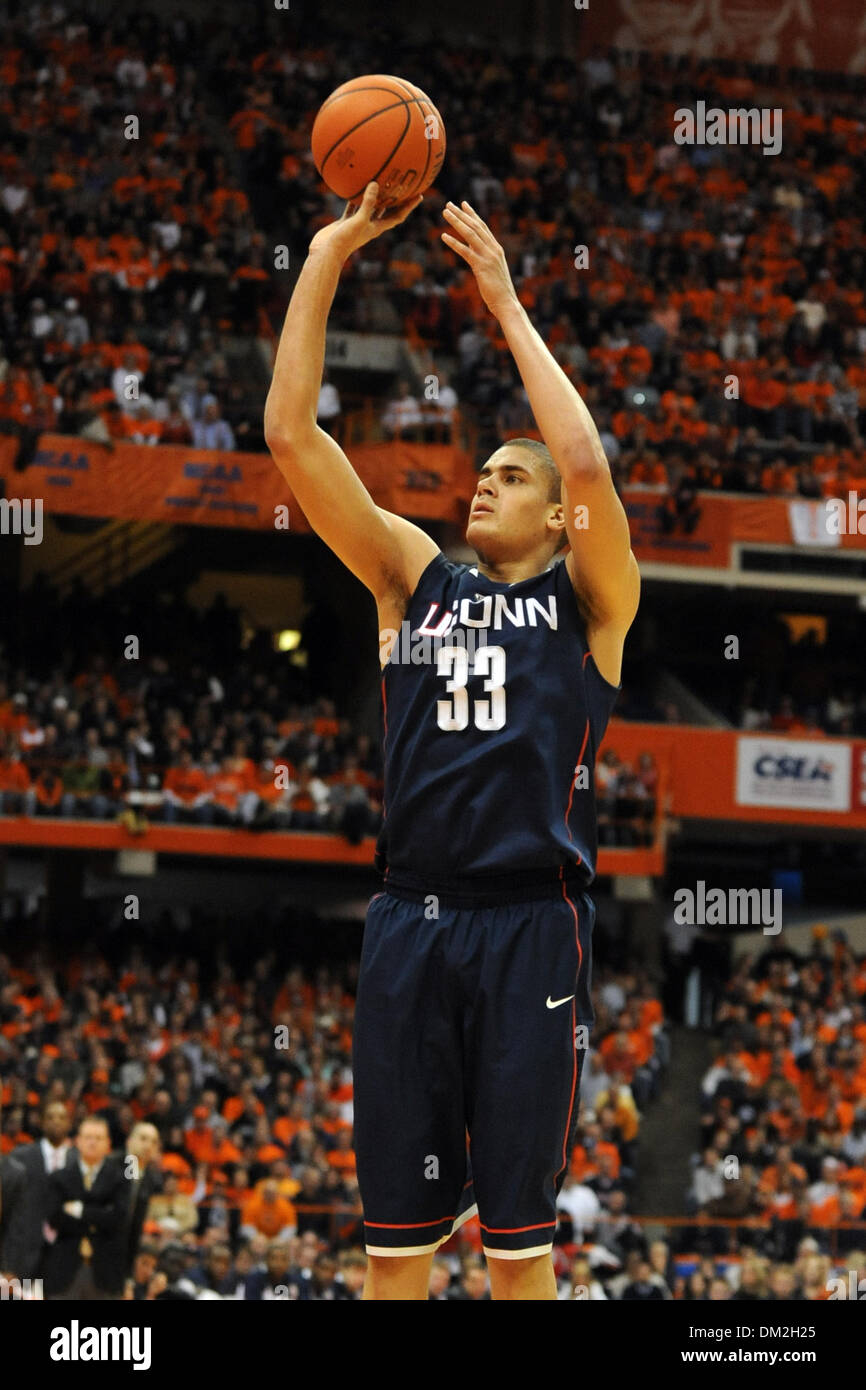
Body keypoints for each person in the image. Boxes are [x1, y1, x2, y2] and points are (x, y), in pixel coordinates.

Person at [264, 182, 639, 1301]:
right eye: (482, 473)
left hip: (530, 921)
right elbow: (290, 433)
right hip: (408, 919)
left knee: (518, 1248)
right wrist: (328, 253)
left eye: (506, 477)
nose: (485, 482)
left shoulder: (589, 604)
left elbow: (584, 465)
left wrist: (506, 306)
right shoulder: (409, 578)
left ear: (553, 517)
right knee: (394, 1250)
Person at [42, 1116, 128, 1299]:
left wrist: (80, 1211)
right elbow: (54, 1217)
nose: (92, 1142)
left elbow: (118, 1218)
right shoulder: (60, 1177)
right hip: (64, 1268)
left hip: (106, 1271)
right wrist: (100, 1216)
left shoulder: (120, 1179)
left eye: (98, 1138)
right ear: (78, 1141)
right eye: (88, 1137)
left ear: (108, 1144)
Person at [9, 1099, 74, 1282]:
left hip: (64, 1257)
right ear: (42, 1122)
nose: (56, 1121)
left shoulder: (77, 1160)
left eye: (62, 1117)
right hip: (20, 1256)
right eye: (50, 1117)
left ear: (69, 1123)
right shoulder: (20, 1156)